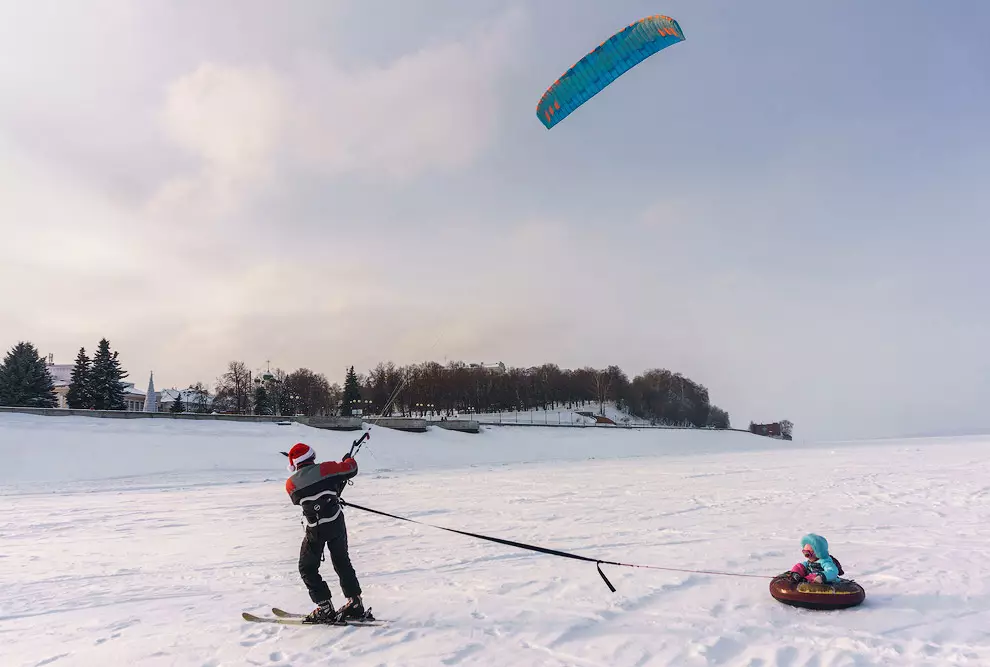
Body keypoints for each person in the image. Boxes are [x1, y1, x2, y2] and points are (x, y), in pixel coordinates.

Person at [285, 441, 366, 623]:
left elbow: (298, 499)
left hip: (316, 530)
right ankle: (355, 602)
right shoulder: (327, 469)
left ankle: (324, 607)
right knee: (342, 561)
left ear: (295, 464)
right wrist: (347, 459)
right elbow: (351, 468)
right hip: (336, 523)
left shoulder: (290, 484)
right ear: (312, 457)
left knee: (307, 568)